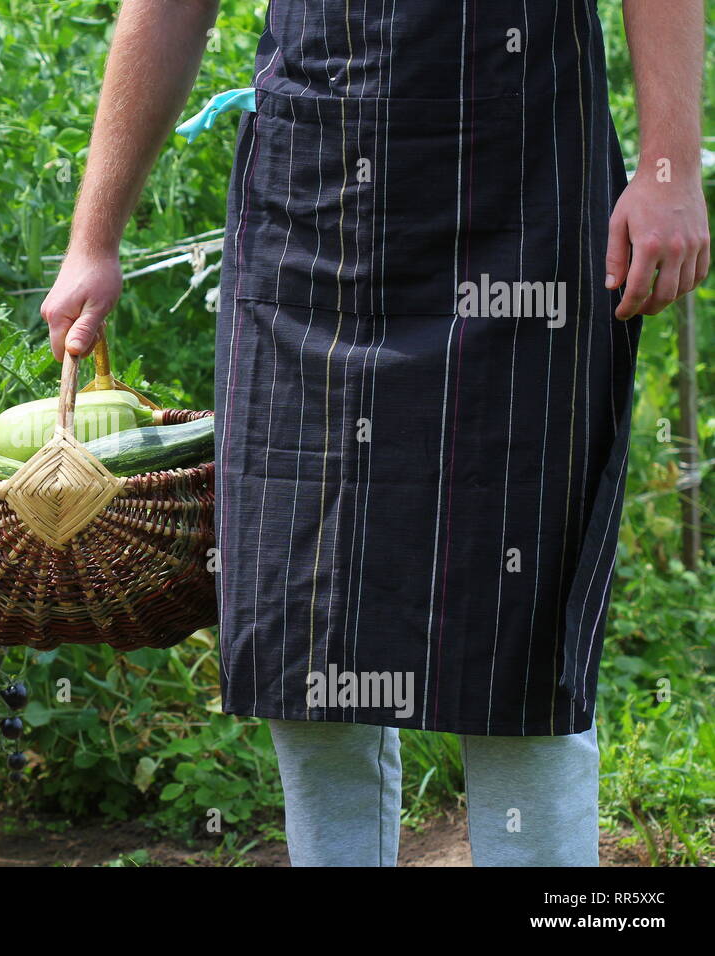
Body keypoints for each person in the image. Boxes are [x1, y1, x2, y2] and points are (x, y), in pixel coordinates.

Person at [41, 0, 709, 866]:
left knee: (520, 633)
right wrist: (93, 238)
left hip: (526, 190)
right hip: (310, 204)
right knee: (301, 631)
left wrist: (669, 167)